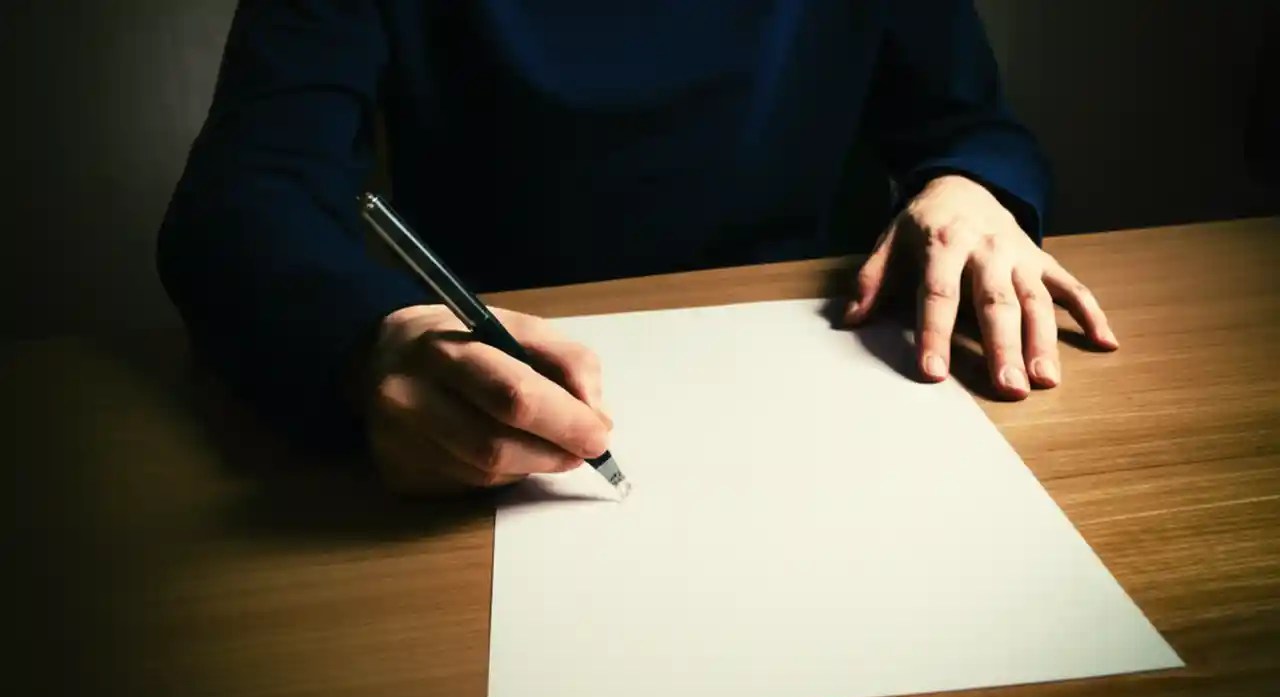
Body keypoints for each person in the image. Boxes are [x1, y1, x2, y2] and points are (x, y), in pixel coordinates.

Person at [157, 1, 1118, 496]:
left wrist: (974, 191)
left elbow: (971, 123)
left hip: (839, 372)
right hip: (501, 402)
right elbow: (242, 200)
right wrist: (369, 343)